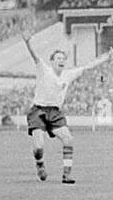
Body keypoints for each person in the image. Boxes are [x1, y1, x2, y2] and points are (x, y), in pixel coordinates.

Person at [23, 33, 82, 183]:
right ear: (52, 61)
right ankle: (40, 163)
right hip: (39, 111)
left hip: (55, 112)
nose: (61, 61)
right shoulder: (44, 70)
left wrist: (109, 57)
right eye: (58, 58)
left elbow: (89, 66)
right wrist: (28, 42)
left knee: (68, 139)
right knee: (39, 148)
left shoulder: (68, 75)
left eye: (63, 59)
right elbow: (34, 56)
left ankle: (66, 175)